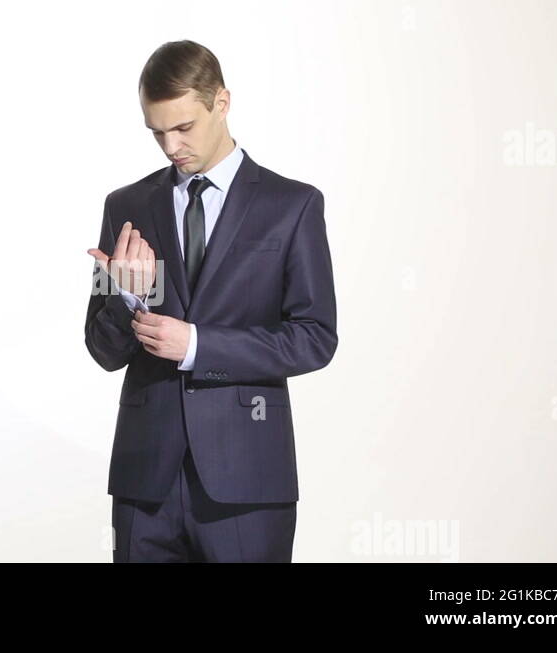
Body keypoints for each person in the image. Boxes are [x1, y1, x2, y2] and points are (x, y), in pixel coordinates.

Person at [85, 40, 337, 562]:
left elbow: (314, 338)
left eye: (183, 127)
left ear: (221, 103)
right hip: (144, 481)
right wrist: (128, 295)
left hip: (247, 479)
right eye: (157, 132)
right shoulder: (126, 206)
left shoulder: (292, 206)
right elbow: (103, 350)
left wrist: (198, 345)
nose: (170, 146)